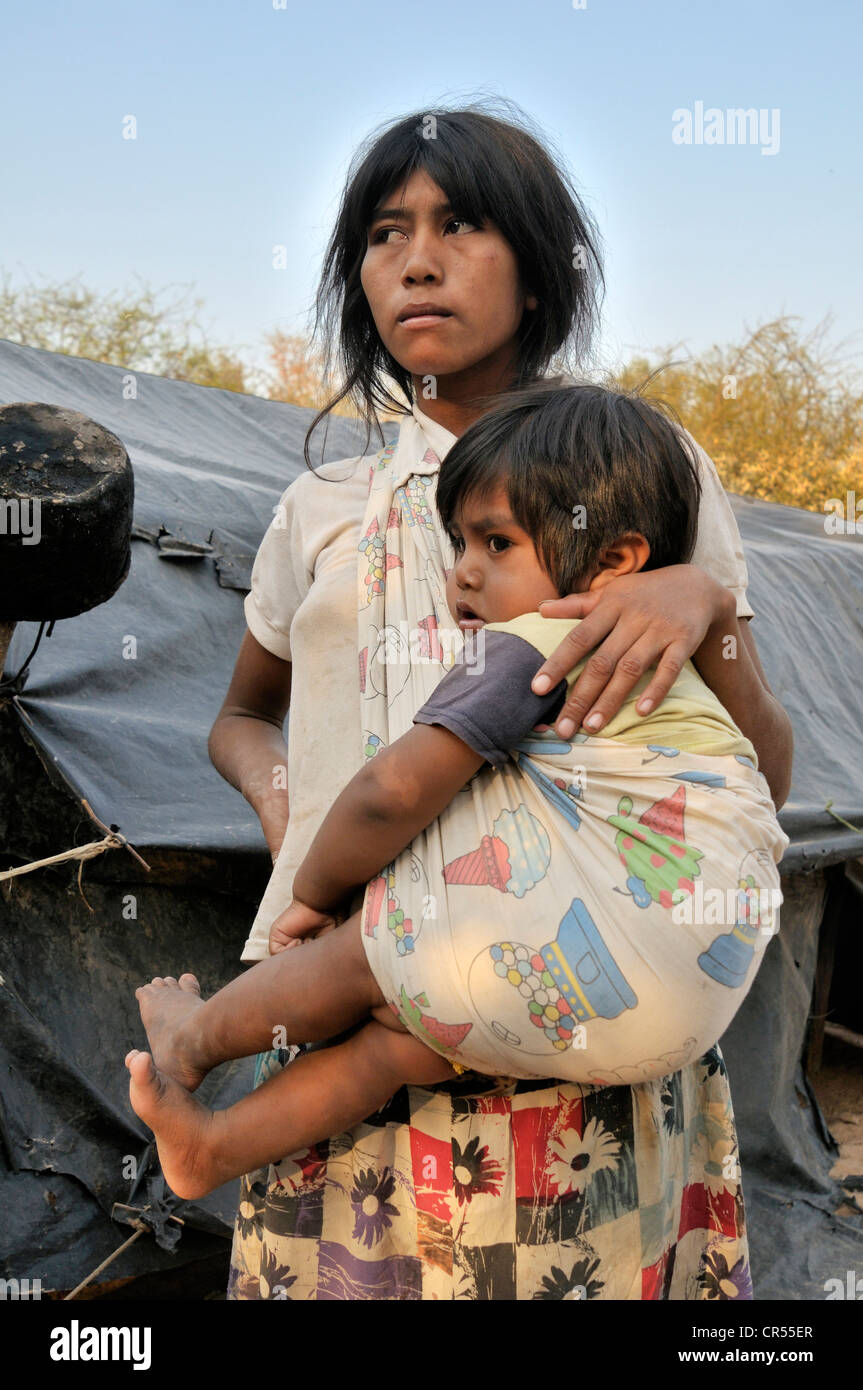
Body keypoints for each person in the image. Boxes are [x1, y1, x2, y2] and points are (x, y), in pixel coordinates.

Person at [203, 104, 793, 1300]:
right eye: (383, 232)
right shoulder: (322, 510)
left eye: (460, 223)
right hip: (354, 993)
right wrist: (292, 815)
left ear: (537, 270)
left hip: (590, 1014)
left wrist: (700, 606)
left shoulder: (650, 472)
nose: (414, 258)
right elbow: (240, 716)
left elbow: (757, 776)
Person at [126, 382, 789, 1204]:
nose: (462, 574)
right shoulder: (670, 659)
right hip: (687, 1004)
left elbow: (390, 791)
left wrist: (315, 892)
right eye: (455, 543)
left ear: (615, 560)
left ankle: (191, 1046)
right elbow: (761, 784)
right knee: (398, 1043)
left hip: (572, 958)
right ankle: (213, 1147)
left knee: (367, 955)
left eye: (494, 544)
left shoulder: (533, 642)